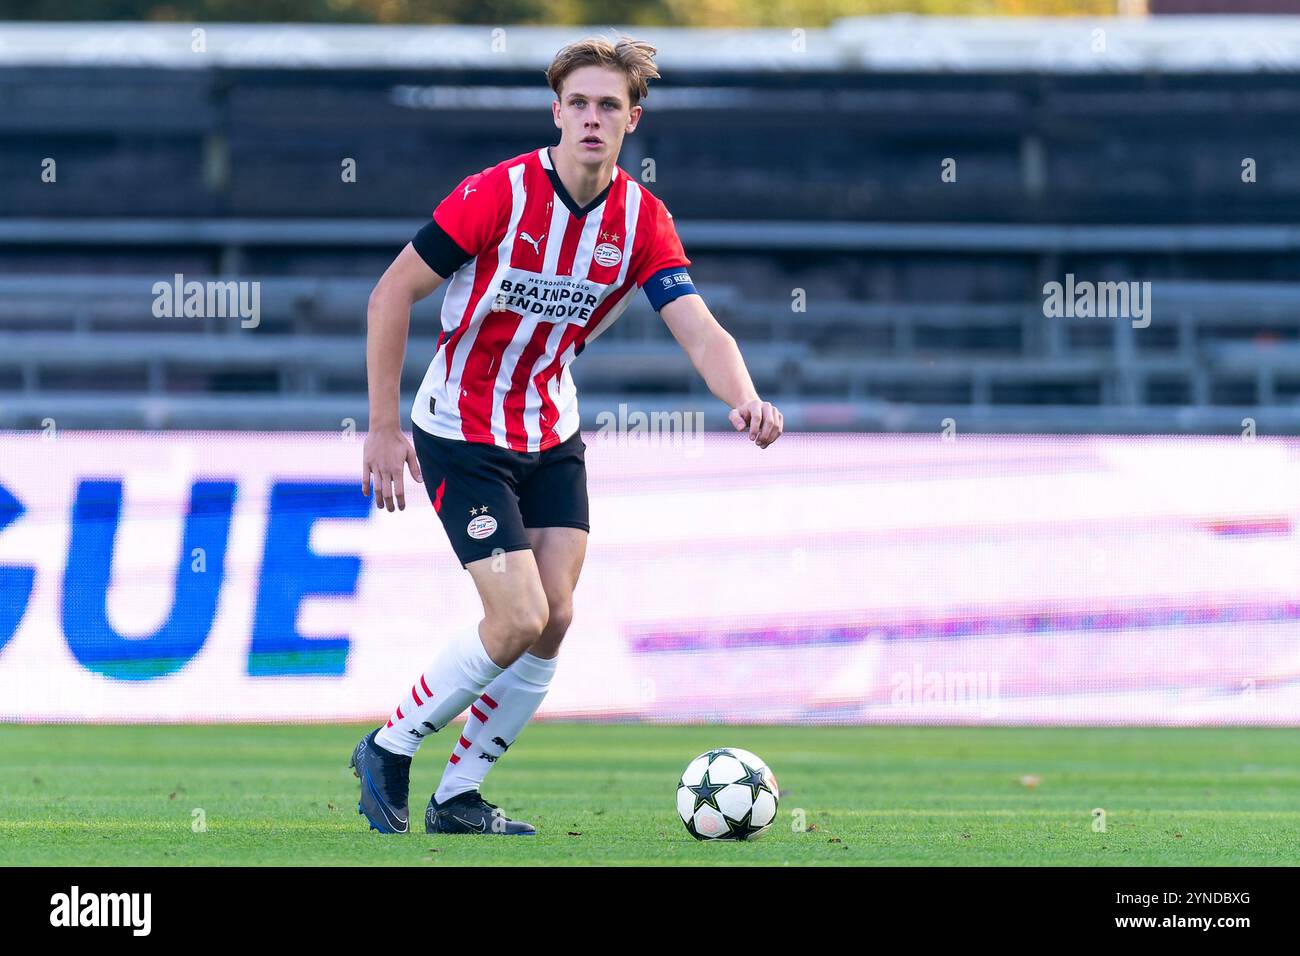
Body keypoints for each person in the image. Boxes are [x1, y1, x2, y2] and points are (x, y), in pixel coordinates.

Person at [353, 33, 783, 835]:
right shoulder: (497, 195)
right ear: (557, 112)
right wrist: (382, 427)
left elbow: (698, 328)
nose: (591, 118)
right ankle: (389, 746)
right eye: (578, 104)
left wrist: (746, 398)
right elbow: (389, 295)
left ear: (632, 121)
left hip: (552, 431)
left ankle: (459, 796)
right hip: (461, 429)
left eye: (607, 106)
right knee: (515, 618)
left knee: (555, 617)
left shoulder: (641, 219)